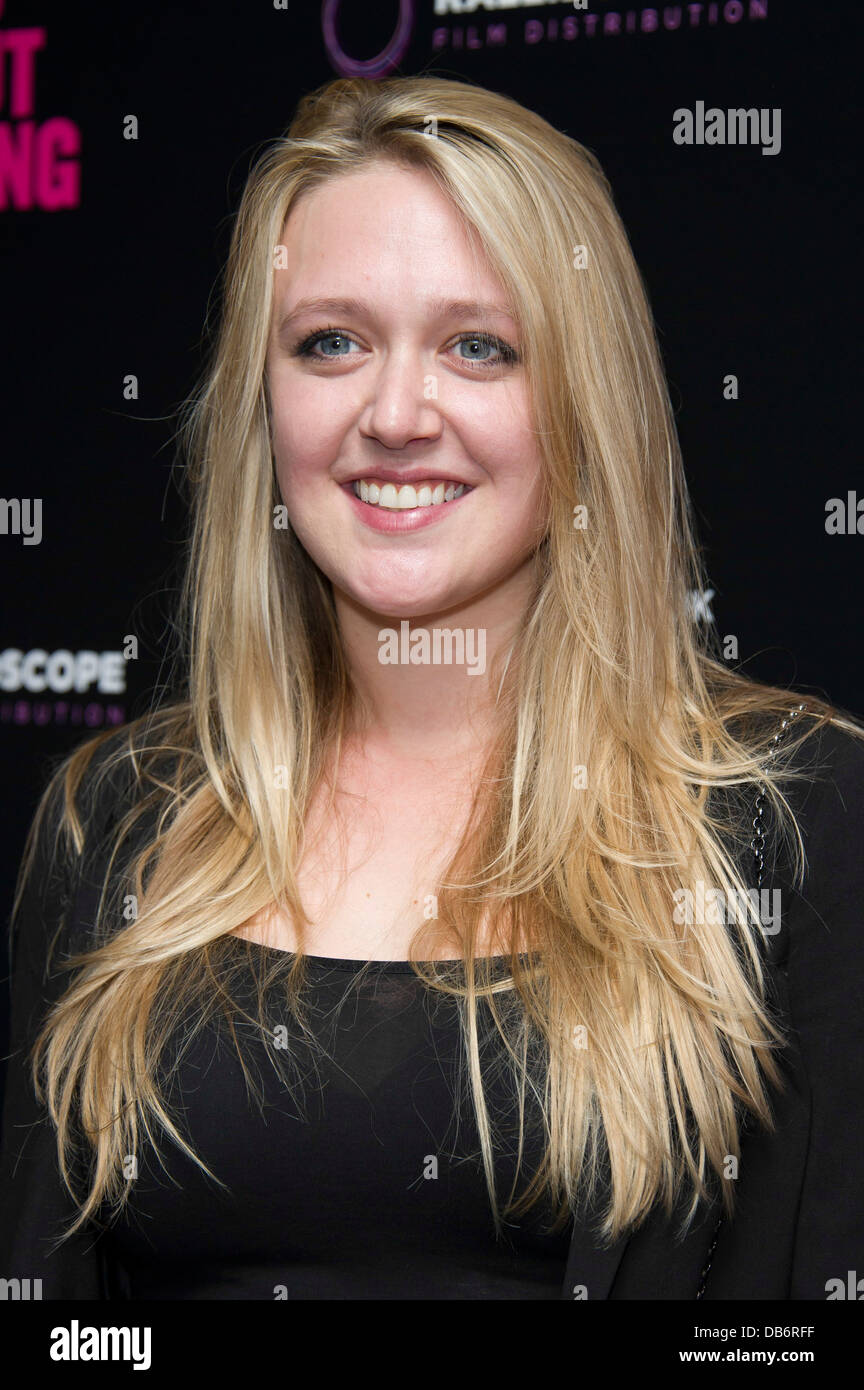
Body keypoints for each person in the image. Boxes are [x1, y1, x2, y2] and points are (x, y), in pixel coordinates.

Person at [1, 74, 863, 1302]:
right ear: (265, 400)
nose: (396, 414)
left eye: (478, 346)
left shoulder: (790, 819)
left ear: (582, 401)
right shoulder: (117, 822)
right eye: (330, 343)